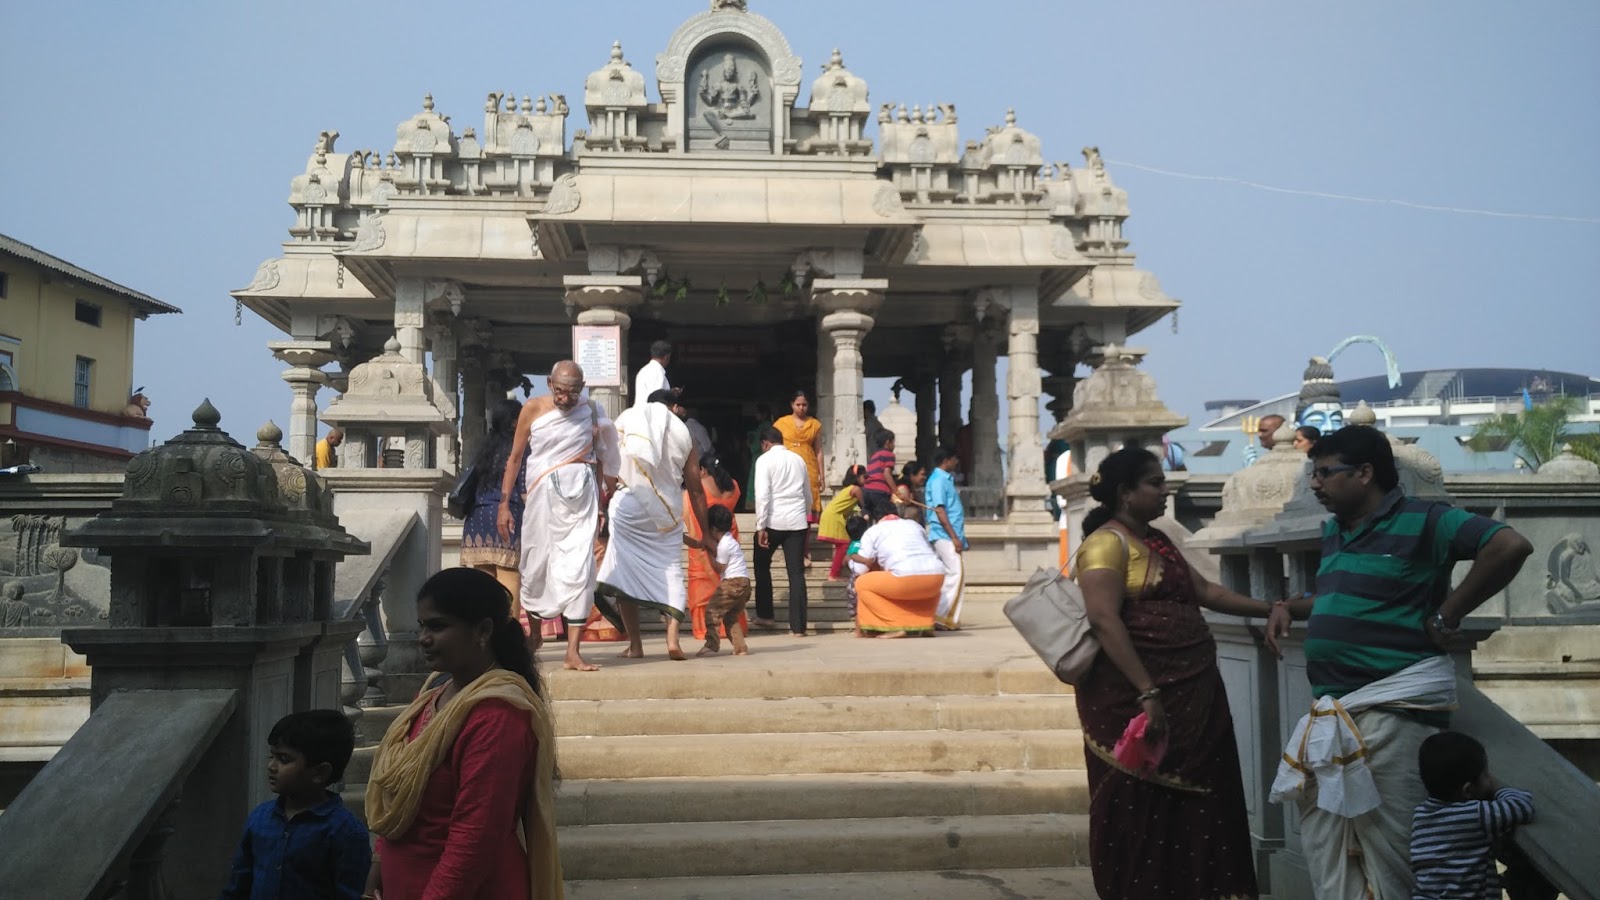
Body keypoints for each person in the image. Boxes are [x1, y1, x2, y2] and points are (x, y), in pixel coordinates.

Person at [1265, 425, 1532, 900]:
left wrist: (1449, 612)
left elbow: (1508, 545)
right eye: (1314, 473)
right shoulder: (1335, 532)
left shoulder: (1427, 520)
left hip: (1393, 716)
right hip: (1338, 711)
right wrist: (1290, 605)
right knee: (1333, 854)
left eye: (1326, 473)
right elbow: (1338, 593)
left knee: (1395, 859)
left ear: (1365, 473)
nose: (1315, 484)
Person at [1075, 445, 1280, 899]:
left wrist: (1275, 607)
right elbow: (1104, 619)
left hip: (1194, 695)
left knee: (1203, 800)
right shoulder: (1106, 544)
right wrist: (1148, 694)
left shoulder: (1156, 541)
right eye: (1155, 482)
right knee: (1138, 805)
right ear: (1126, 493)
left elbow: (1205, 590)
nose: (1166, 490)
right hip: (1133, 700)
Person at [364, 568, 561, 900]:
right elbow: (400, 800)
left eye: (438, 626)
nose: (423, 638)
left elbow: (475, 838)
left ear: (482, 630)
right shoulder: (434, 694)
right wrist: (376, 869)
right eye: (422, 626)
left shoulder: (497, 714)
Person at [497, 360, 620, 673]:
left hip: (582, 498)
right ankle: (535, 634)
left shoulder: (592, 410)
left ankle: (573, 653)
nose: (567, 400)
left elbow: (602, 457)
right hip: (541, 497)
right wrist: (504, 504)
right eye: (562, 392)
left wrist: (603, 503)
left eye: (574, 393)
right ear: (550, 384)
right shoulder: (533, 409)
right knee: (536, 563)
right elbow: (514, 459)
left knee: (581, 567)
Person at [596, 389, 711, 661]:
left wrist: (612, 494)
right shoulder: (684, 433)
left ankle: (636, 646)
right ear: (671, 407)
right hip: (668, 510)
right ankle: (672, 640)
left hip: (628, 506)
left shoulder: (627, 419)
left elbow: (609, 465)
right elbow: (695, 489)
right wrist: (705, 533)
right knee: (671, 569)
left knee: (624, 574)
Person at [220, 710, 369, 900]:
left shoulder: (345, 832)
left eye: (284, 759)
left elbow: (350, 892)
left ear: (320, 773)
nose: (271, 766)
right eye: (271, 756)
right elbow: (237, 887)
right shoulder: (260, 818)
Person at [1410, 731, 1536, 900]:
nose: (1490, 778)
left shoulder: (1421, 815)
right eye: (1485, 775)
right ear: (1468, 791)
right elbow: (1522, 807)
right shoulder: (1475, 815)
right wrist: (1499, 790)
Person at [460, 398, 530, 633]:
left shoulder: (484, 449)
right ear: (513, 424)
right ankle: (508, 640)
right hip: (506, 517)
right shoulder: (520, 450)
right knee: (509, 584)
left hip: (477, 520)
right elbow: (524, 490)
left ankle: (485, 640)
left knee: (484, 588)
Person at [848, 492, 945, 638]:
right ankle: (925, 624)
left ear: (876, 518)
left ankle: (893, 626)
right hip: (936, 577)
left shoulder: (873, 531)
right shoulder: (914, 525)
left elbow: (860, 569)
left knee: (861, 583)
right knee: (920, 585)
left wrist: (850, 560)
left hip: (904, 578)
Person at [752, 425, 812, 636]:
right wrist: (806, 516)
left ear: (765, 443)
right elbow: (808, 493)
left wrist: (761, 527)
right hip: (797, 521)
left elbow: (762, 495)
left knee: (761, 566)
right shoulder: (798, 460)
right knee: (796, 574)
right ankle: (799, 627)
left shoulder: (764, 460)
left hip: (773, 521)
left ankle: (765, 615)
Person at [685, 453, 743, 645]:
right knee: (727, 581)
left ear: (702, 470)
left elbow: (689, 511)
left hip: (705, 539)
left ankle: (705, 628)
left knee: (703, 586)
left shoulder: (698, 489)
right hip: (728, 537)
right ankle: (731, 627)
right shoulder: (733, 486)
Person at [697, 505, 752, 657]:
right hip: (744, 583)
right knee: (730, 616)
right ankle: (740, 647)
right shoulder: (730, 540)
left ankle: (711, 644)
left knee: (712, 611)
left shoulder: (723, 546)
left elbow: (719, 568)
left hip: (732, 583)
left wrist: (707, 555)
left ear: (713, 529)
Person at [925, 449, 967, 631]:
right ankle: (941, 616)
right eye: (954, 458)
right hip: (943, 534)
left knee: (949, 574)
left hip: (948, 534)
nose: (956, 462)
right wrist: (954, 537)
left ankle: (943, 616)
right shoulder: (938, 480)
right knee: (956, 573)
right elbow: (940, 511)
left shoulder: (943, 479)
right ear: (947, 460)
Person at [773, 390, 823, 530]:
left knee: (808, 505)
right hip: (787, 467)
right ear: (792, 405)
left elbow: (819, 450)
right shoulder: (781, 423)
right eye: (798, 404)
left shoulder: (815, 424)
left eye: (804, 405)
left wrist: (822, 476)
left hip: (809, 467)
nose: (801, 408)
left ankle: (804, 547)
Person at [817, 464, 866, 581]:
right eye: (865, 476)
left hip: (832, 515)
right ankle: (833, 574)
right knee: (844, 544)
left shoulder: (848, 489)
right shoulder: (856, 489)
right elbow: (864, 505)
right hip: (834, 517)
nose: (866, 479)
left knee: (842, 545)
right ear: (858, 477)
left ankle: (837, 566)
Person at [842, 515, 870, 622]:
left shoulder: (854, 544)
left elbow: (848, 558)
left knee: (854, 596)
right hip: (861, 574)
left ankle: (854, 611)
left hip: (856, 575)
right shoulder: (862, 543)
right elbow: (852, 556)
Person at [862, 429, 899, 508]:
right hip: (880, 491)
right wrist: (896, 491)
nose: (894, 445)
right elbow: (887, 473)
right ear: (887, 442)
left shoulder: (873, 456)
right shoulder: (889, 454)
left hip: (867, 490)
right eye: (893, 442)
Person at [633, 339, 673, 409]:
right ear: (667, 357)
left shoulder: (644, 370)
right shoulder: (657, 372)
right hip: (651, 416)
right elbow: (657, 400)